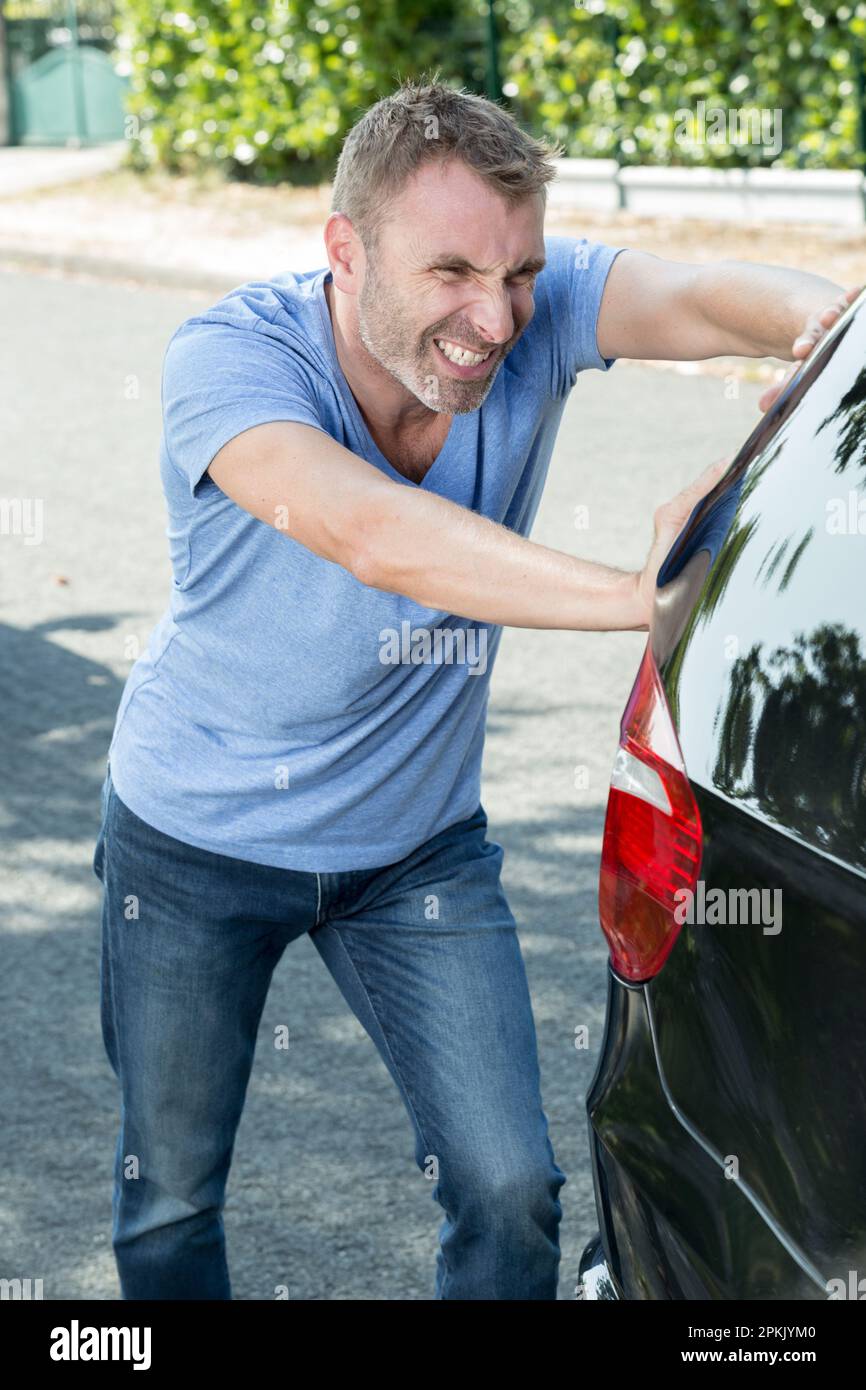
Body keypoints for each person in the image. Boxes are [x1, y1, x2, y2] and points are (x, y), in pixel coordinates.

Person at [92, 76, 855, 1300]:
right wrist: (646, 592)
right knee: (172, 1195)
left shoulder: (531, 303)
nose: (493, 318)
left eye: (516, 275)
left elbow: (707, 293)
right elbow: (370, 534)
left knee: (509, 1189)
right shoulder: (231, 361)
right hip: (192, 844)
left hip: (413, 853)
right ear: (344, 249)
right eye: (449, 272)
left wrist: (835, 334)